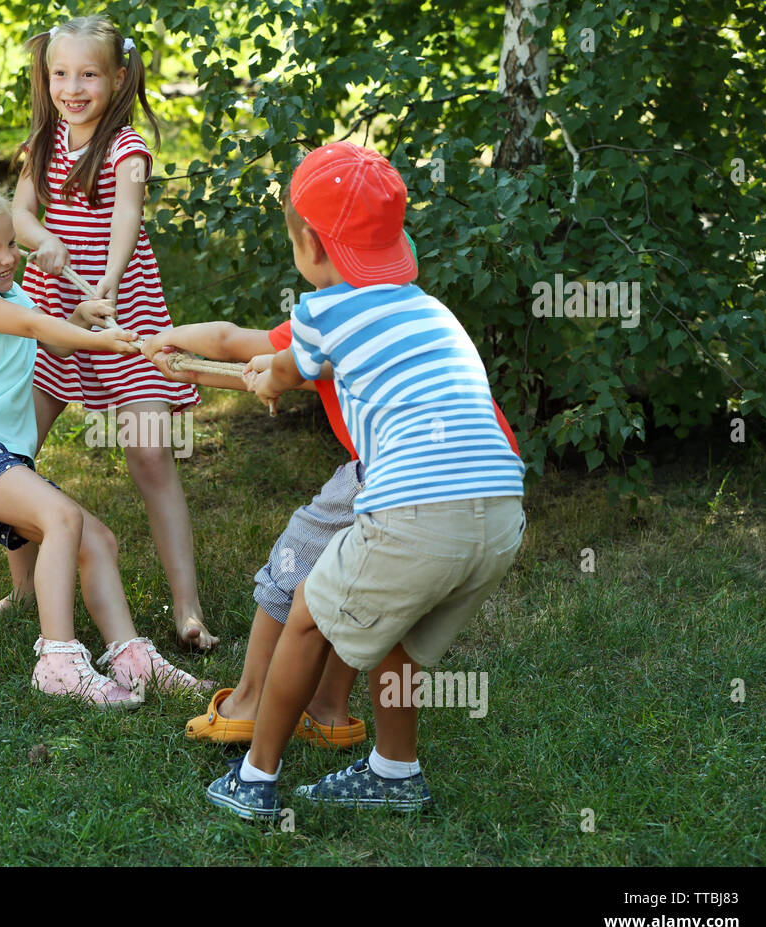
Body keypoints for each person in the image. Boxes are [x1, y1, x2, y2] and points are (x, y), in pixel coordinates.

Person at [205, 143, 527, 818]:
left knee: (306, 616)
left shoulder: (324, 311)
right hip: (501, 508)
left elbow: (282, 369)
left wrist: (267, 379)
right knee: (397, 631)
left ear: (309, 244)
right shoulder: (432, 310)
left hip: (416, 509)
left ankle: (255, 780)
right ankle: (394, 771)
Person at [141, 307, 521, 749]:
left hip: (399, 474)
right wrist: (190, 370)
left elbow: (229, 341)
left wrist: (163, 338)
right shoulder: (415, 319)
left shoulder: (334, 319)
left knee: (295, 558)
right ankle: (327, 712)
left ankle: (247, 706)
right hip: (490, 482)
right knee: (361, 586)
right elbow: (280, 374)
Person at [0, 169, 211, 707]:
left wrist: (79, 319)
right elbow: (31, 328)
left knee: (99, 541)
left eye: (9, 245)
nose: (7, 258)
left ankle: (133, 659)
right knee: (62, 518)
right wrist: (101, 340)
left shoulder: (9, 292)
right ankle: (59, 662)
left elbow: (54, 341)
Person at [0, 14, 218, 651]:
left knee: (150, 455)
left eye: (88, 74)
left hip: (123, 313)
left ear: (118, 77)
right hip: (55, 313)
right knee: (14, 451)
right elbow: (20, 212)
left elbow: (127, 217)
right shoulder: (42, 142)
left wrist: (108, 285)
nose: (73, 88)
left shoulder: (126, 149)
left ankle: (188, 609)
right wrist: (43, 240)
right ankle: (21, 589)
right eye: (60, 74)